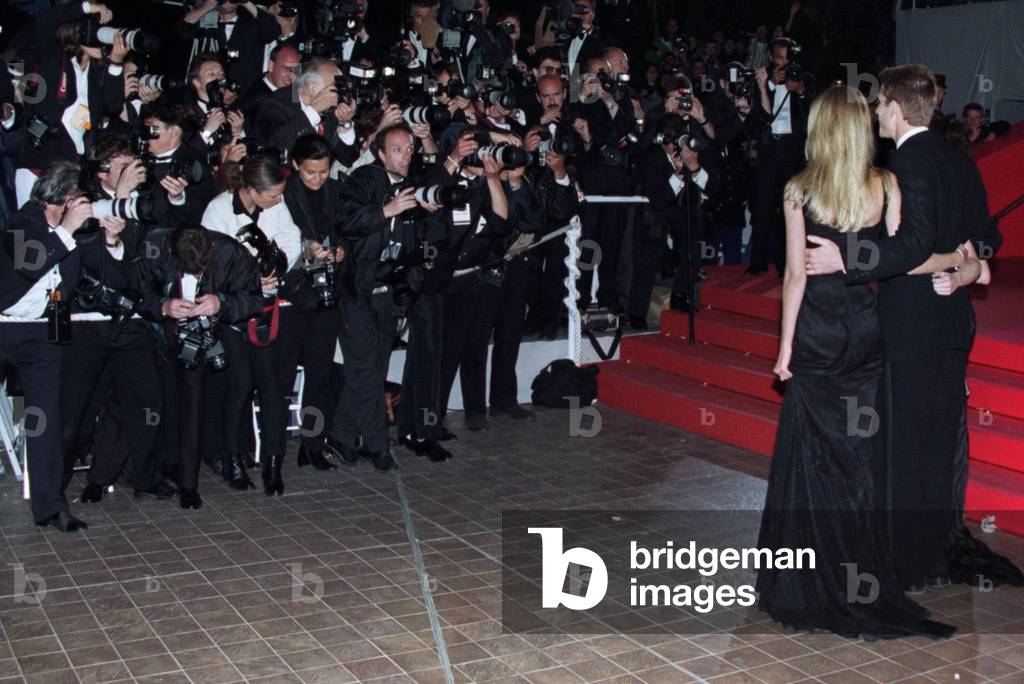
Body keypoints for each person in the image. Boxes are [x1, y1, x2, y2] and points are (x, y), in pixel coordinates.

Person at [805, 66, 1018, 594]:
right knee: (937, 444)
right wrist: (968, 264)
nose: (876, 113)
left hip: (913, 325)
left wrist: (845, 257)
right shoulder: (958, 160)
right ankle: (936, 554)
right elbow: (989, 237)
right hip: (952, 324)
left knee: (903, 446)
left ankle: (908, 565)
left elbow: (911, 247)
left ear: (897, 108)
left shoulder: (910, 159)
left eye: (880, 106)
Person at [757, 85, 958, 639]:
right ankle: (861, 577)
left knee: (810, 457)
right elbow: (892, 261)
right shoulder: (886, 184)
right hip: (867, 332)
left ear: (820, 130)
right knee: (857, 457)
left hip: (820, 332)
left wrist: (784, 349)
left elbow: (795, 276)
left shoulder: (798, 190)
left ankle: (805, 578)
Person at [1, 162, 93, 531]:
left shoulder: (74, 231)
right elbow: (30, 263)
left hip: (41, 333)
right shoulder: (20, 223)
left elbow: (72, 280)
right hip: (3, 325)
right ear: (62, 198)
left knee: (45, 419)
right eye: (78, 198)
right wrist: (68, 230)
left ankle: (50, 505)